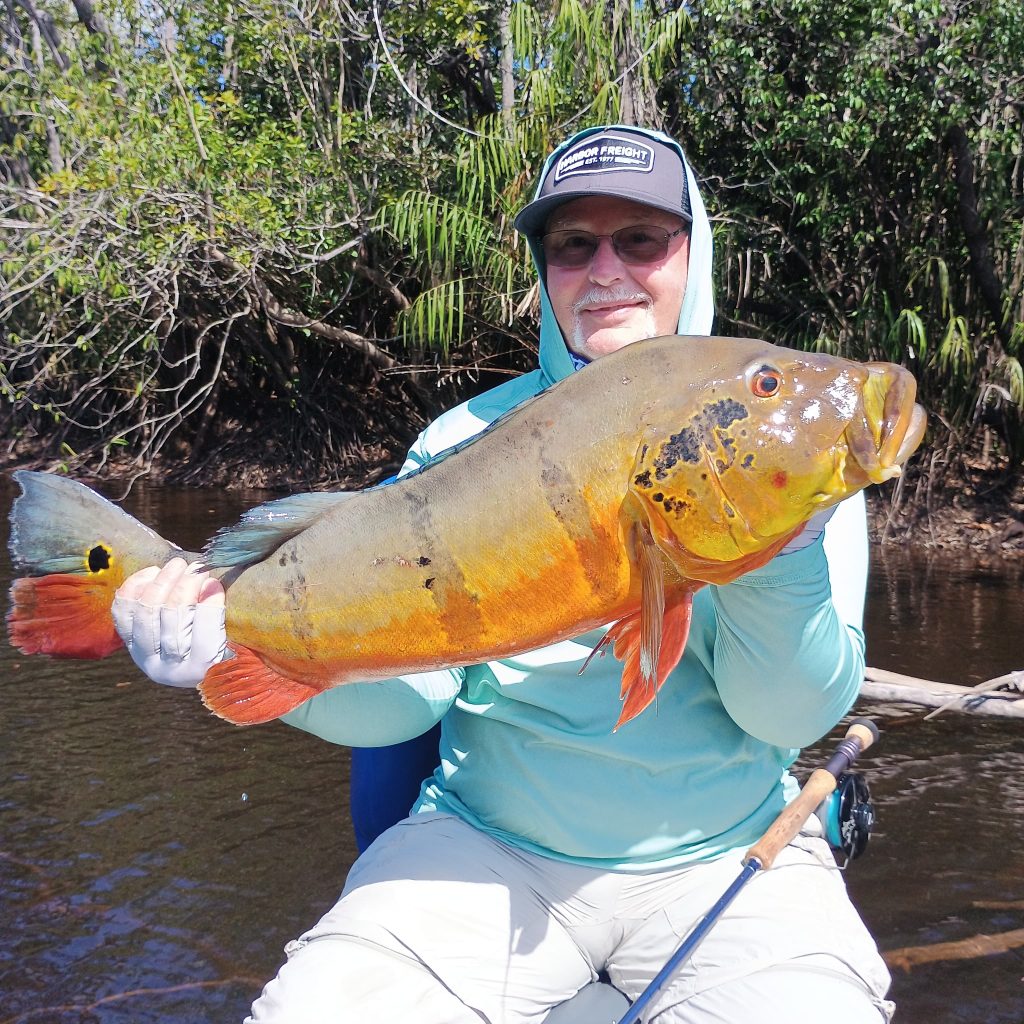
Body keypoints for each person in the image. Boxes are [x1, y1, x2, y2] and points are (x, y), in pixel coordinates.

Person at [112, 125, 894, 1023]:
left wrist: (786, 551)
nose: (606, 270)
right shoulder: (451, 446)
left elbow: (786, 714)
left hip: (726, 850)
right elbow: (404, 705)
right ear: (544, 267)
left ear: (694, 252)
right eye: (573, 245)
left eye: (641, 239)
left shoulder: (791, 455)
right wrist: (221, 644)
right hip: (485, 851)